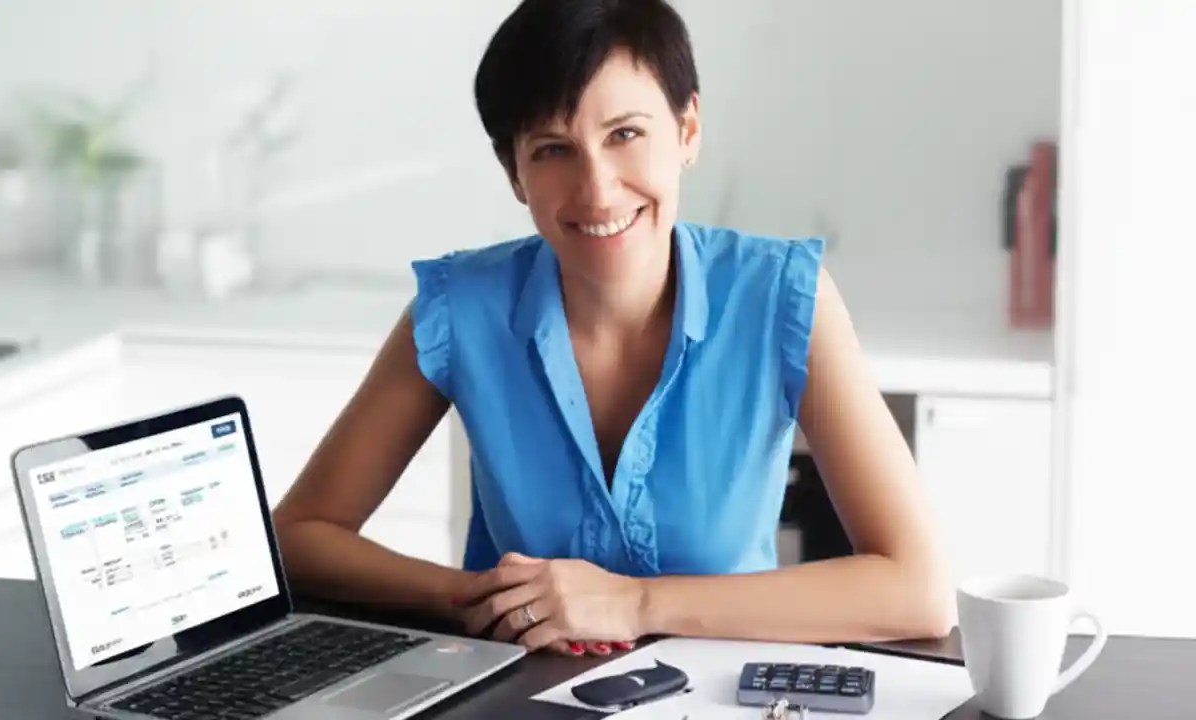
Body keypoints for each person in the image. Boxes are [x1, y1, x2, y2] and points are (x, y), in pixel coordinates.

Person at [271, 0, 954, 658]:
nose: (597, 189)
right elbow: (298, 535)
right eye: (552, 150)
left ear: (687, 131)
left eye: (624, 134)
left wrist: (636, 603)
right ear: (514, 171)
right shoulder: (460, 306)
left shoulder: (780, 296)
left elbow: (919, 590)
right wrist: (478, 596)